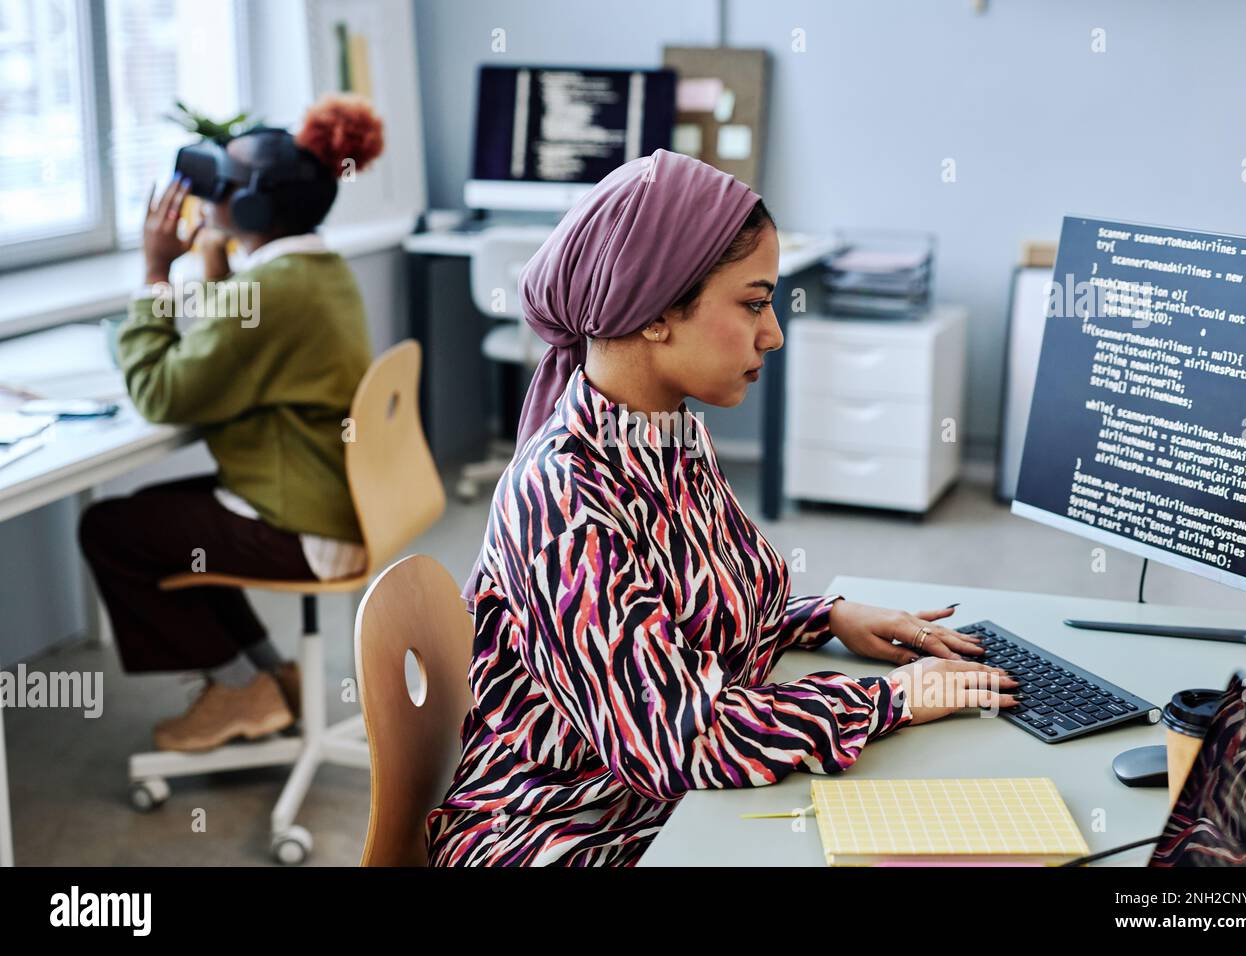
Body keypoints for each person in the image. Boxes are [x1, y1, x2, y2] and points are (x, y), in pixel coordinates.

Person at [428, 149, 1017, 866]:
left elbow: (693, 612)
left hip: (670, 805)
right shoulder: (561, 498)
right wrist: (888, 702)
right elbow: (683, 738)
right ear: (655, 313)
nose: (772, 332)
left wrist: (825, 616)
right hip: (564, 831)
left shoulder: (668, 432)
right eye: (752, 302)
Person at [79, 94, 384, 753]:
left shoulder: (272, 291)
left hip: (307, 527)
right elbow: (252, 346)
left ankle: (239, 686)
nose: (204, 191)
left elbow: (161, 393)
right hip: (338, 505)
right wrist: (217, 273)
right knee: (164, 524)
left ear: (248, 208)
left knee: (112, 530)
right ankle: (268, 676)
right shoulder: (317, 269)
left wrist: (156, 271)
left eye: (223, 180)